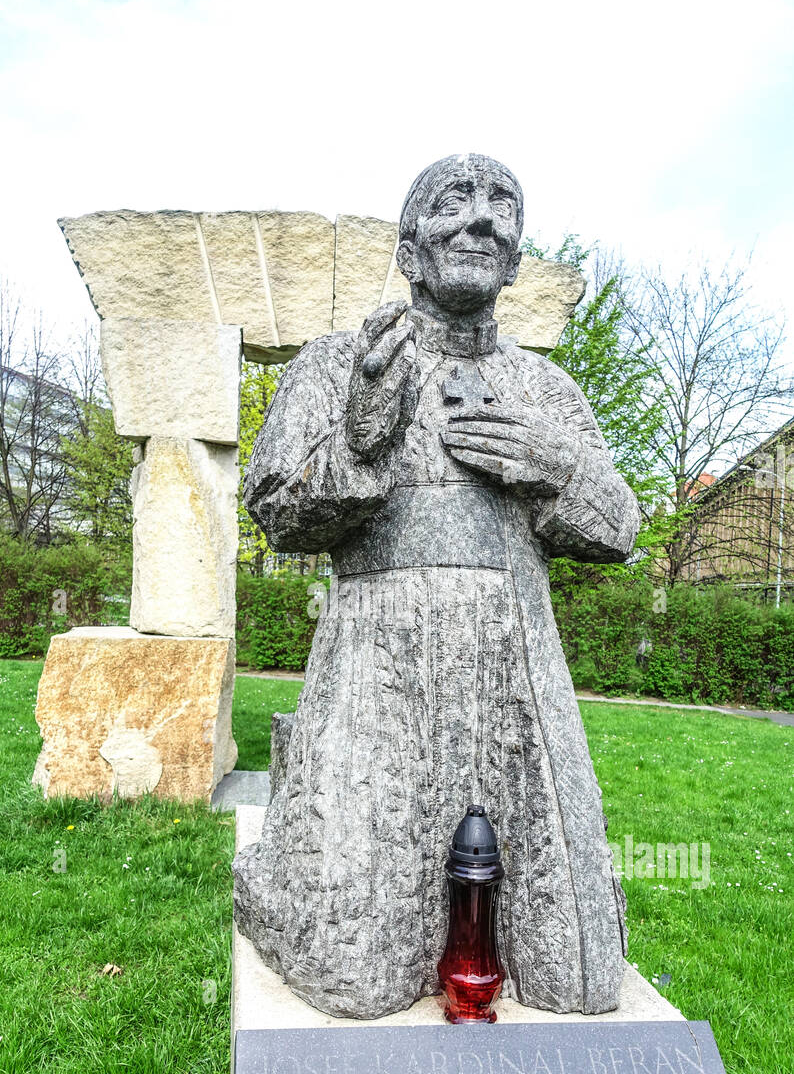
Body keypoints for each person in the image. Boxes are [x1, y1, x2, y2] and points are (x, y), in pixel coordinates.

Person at [233, 154, 640, 1018]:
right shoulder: (342, 362)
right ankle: (291, 883)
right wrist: (360, 436)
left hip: (514, 679)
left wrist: (557, 466)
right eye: (454, 202)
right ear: (411, 249)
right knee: (360, 971)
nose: (481, 219)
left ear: (517, 262)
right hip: (381, 671)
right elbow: (276, 509)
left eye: (502, 207)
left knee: (576, 974)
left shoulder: (545, 386)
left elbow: (620, 531)